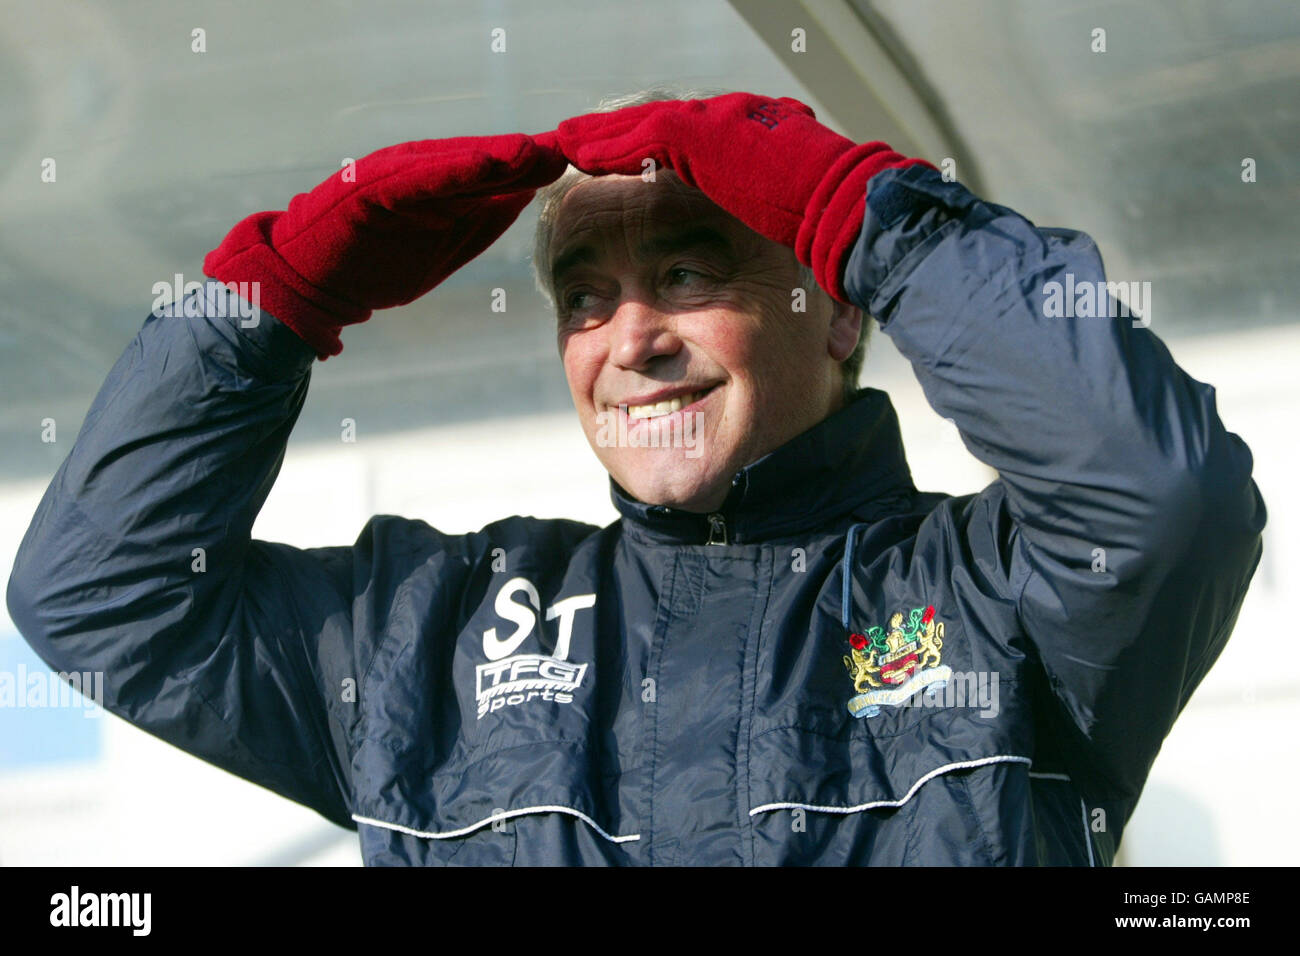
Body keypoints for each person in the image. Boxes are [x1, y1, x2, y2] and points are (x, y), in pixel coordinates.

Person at [6, 90, 1266, 866]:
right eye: (584, 297)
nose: (630, 340)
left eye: (685, 275)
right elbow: (102, 600)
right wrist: (274, 298)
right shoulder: (431, 630)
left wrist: (864, 206)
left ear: (834, 311)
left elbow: (1159, 493)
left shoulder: (998, 596)